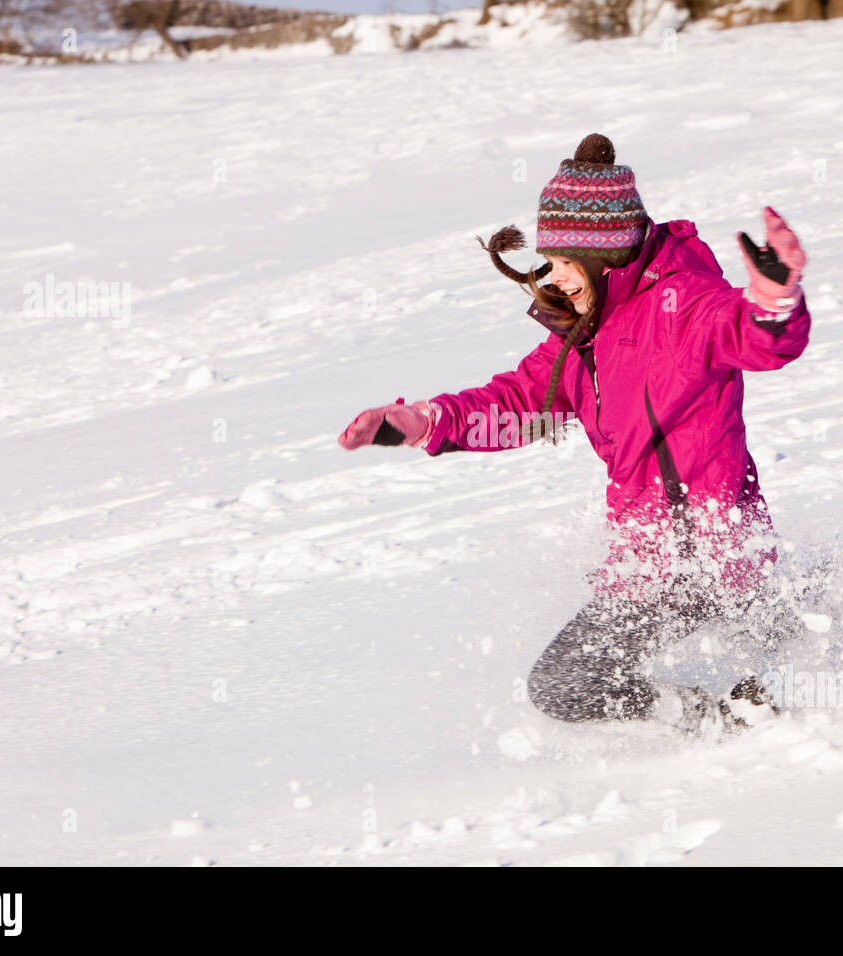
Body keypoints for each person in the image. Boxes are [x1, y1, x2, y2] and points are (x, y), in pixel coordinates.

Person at [339, 133, 812, 739]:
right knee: (798, 627)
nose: (554, 278)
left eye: (564, 262)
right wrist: (423, 421)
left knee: (566, 683)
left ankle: (726, 724)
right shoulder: (585, 336)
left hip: (691, 555)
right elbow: (519, 405)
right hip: (673, 553)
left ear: (604, 255)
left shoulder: (682, 303)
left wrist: (774, 301)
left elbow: (751, 335)